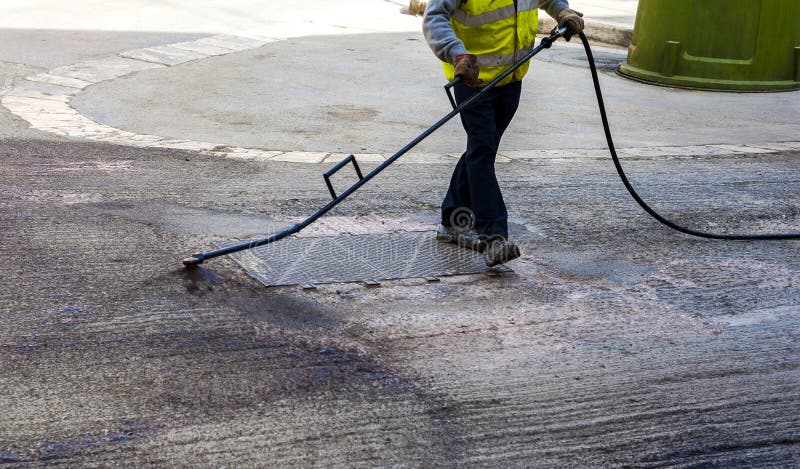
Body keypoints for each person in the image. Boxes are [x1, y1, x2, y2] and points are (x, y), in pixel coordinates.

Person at [423, 0, 584, 267]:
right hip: (473, 80)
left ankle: (452, 220)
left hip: (511, 78)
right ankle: (494, 237)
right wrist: (456, 54)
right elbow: (434, 17)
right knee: (483, 150)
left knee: (482, 149)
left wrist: (561, 11)